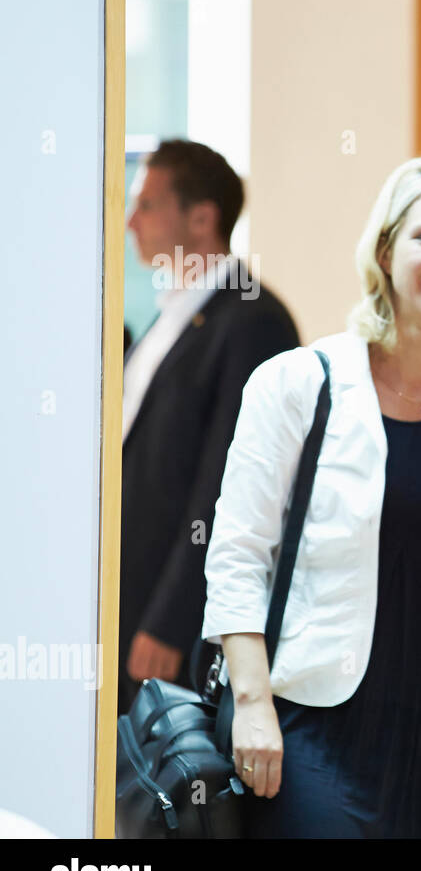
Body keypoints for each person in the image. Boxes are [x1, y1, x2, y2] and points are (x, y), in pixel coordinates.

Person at [201, 156, 421, 837]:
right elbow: (235, 555)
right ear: (385, 249)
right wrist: (253, 703)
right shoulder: (296, 384)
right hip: (305, 724)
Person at [119, 139, 298, 714]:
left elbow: (224, 485)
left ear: (202, 217)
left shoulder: (252, 319)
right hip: (129, 593)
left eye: (146, 205)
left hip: (174, 616)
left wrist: (173, 619)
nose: (130, 222)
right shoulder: (170, 312)